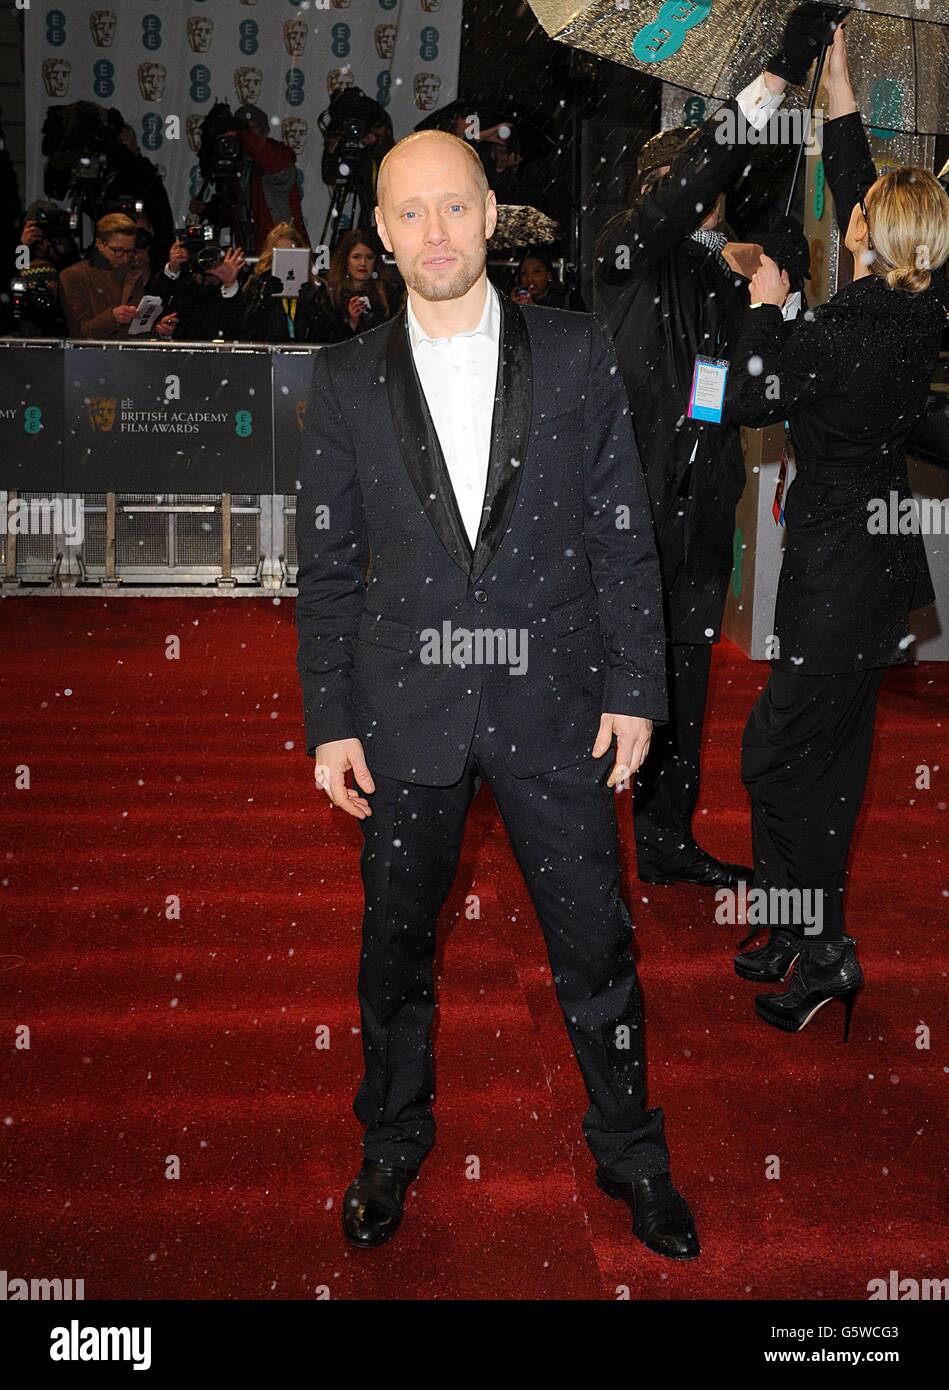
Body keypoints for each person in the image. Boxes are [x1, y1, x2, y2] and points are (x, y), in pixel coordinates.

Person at [294, 128, 700, 1259]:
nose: (435, 233)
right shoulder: (339, 378)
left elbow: (625, 532)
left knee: (597, 950)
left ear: (490, 215)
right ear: (380, 231)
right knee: (394, 950)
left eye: (455, 208)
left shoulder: (573, 353)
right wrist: (327, 716)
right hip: (402, 712)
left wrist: (635, 687)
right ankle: (389, 1139)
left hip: (554, 705)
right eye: (410, 213)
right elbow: (324, 563)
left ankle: (631, 1153)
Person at [727, 25, 949, 1036]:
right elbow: (856, 162)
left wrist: (765, 307)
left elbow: (729, 402)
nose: (846, 200)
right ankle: (789, 923)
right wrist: (840, 66)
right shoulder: (920, 305)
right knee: (832, 759)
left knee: (777, 755)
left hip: (835, 570)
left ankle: (825, 950)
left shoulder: (838, 338)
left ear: (866, 237)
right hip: (872, 575)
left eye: (854, 207)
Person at [593, 9, 828, 892]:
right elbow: (683, 194)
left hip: (698, 519)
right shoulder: (621, 254)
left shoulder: (722, 274)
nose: (703, 197)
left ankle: (663, 843)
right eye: (686, 185)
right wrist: (771, 81)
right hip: (616, 517)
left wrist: (770, 306)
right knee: (597, 682)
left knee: (684, 692)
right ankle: (576, 843)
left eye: (709, 188)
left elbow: (749, 393)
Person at [58, 212, 176, 339]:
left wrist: (157, 329)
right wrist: (112, 317)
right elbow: (80, 331)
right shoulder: (72, 276)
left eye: (130, 251)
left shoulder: (132, 275)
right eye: (118, 250)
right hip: (90, 356)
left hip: (125, 356)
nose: (125, 258)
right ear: (100, 244)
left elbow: (134, 330)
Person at [241, 222, 342, 343]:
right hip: (268, 357)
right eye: (282, 255)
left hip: (308, 357)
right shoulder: (259, 284)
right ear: (271, 257)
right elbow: (247, 328)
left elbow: (330, 333)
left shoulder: (316, 287)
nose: (287, 261)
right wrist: (266, 299)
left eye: (292, 254)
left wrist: (310, 303)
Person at [235, 105, 308, 254]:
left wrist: (242, 134)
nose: (249, 134)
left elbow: (277, 167)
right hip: (252, 248)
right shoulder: (240, 164)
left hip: (283, 246)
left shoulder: (277, 155)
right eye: (244, 129)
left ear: (264, 130)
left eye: (253, 128)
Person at [146, 235, 246, 342]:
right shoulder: (183, 286)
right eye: (200, 256)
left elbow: (238, 328)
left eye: (211, 256)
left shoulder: (235, 290)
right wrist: (172, 269)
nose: (204, 261)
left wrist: (229, 283)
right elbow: (153, 307)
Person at [322, 229, 398, 337]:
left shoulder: (390, 293)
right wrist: (352, 323)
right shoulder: (331, 295)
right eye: (356, 257)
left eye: (369, 257)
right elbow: (329, 340)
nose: (363, 263)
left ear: (375, 261)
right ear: (346, 260)